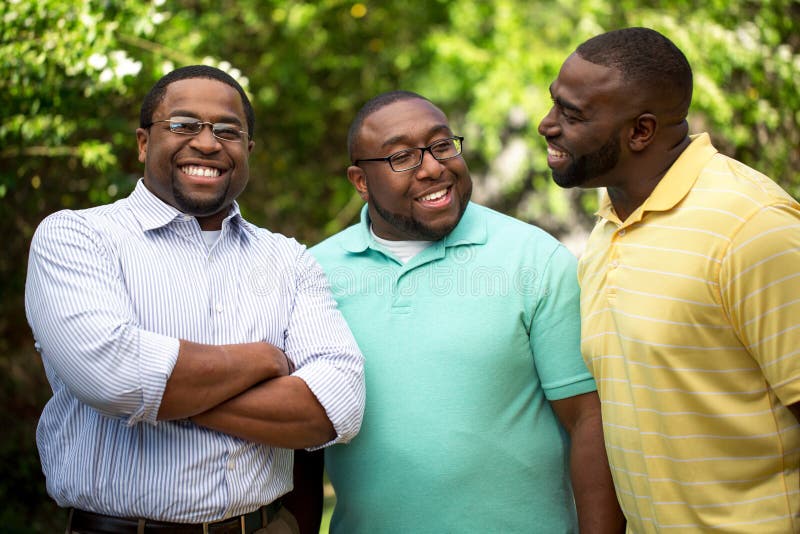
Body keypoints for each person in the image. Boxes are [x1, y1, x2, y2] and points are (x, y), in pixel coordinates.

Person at [24, 65, 365, 533]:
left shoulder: (288, 259)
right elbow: (112, 375)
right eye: (183, 125)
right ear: (144, 142)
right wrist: (264, 360)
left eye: (228, 130)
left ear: (247, 150)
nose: (207, 143)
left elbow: (338, 406)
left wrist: (161, 395)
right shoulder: (78, 237)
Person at [293, 90, 624, 533]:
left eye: (442, 145)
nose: (432, 167)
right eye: (402, 157)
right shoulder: (313, 274)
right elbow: (304, 444)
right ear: (360, 180)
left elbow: (588, 420)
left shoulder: (535, 259)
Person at [538, 27, 800, 532]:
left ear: (641, 131)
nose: (547, 125)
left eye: (572, 114)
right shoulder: (609, 225)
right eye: (554, 105)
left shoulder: (752, 228)